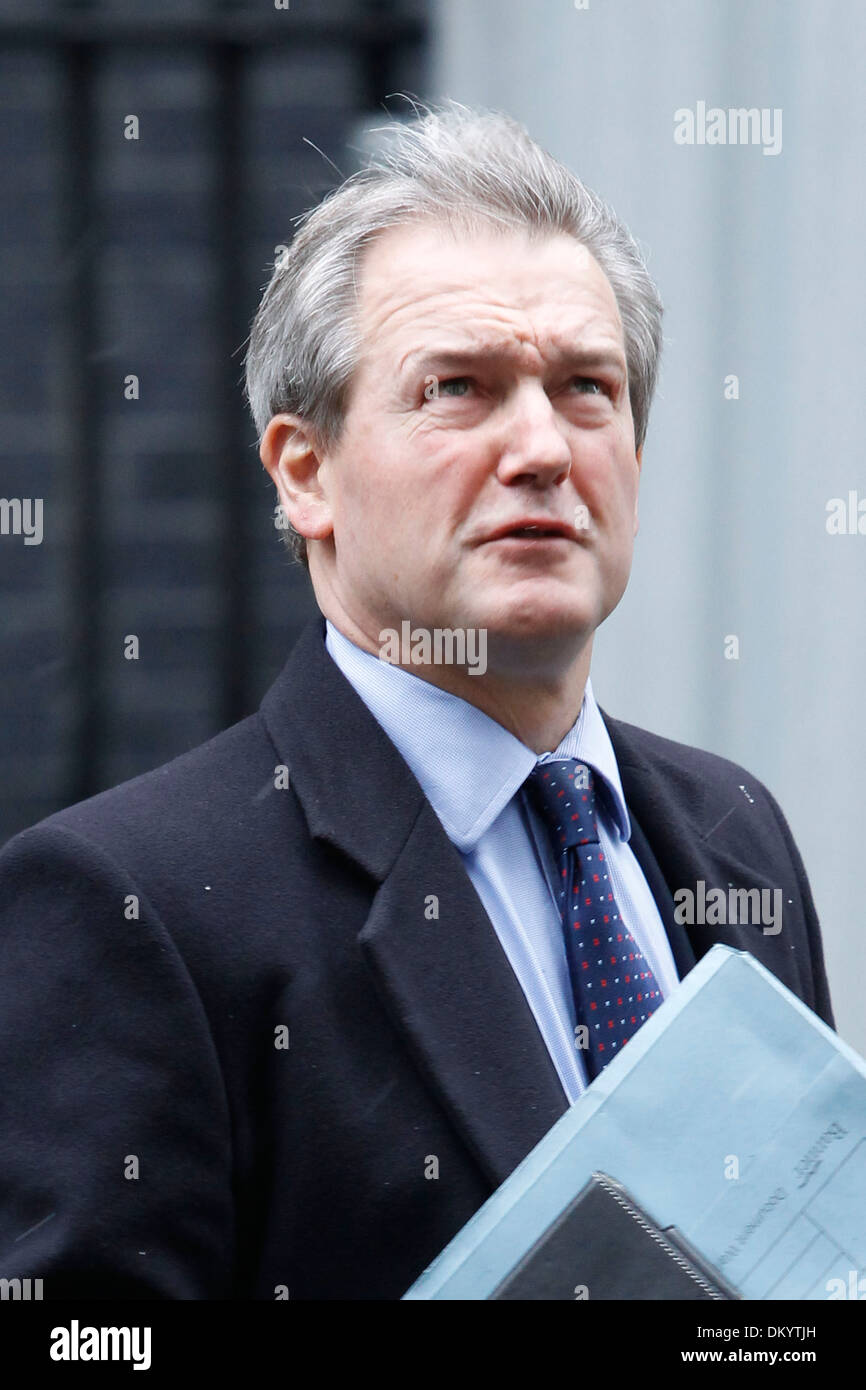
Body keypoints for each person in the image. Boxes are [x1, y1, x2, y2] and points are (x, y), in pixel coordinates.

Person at [0, 102, 833, 1300]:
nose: (541, 445)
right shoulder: (130, 901)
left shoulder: (731, 827)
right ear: (305, 473)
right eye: (459, 387)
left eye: (586, 388)